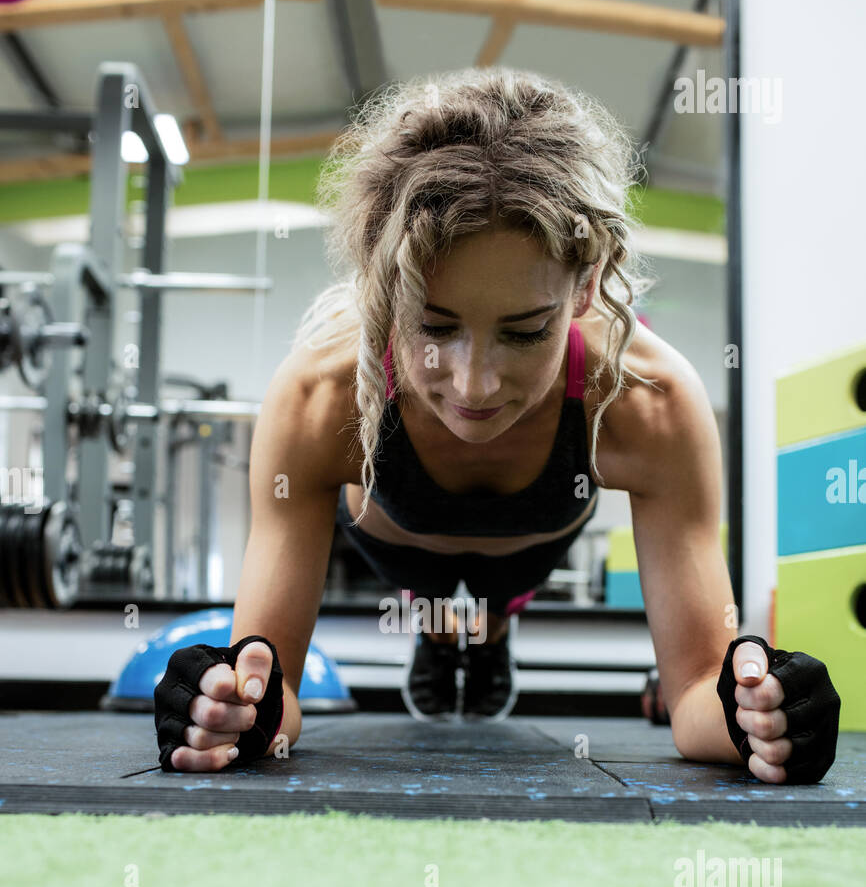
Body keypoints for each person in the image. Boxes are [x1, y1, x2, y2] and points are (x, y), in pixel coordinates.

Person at [154, 67, 840, 785]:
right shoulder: (316, 396)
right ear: (385, 294)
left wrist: (758, 712)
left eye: (525, 331)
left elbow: (697, 689)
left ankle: (489, 634)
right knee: (433, 603)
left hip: (527, 550)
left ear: (585, 285)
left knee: (492, 607)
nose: (474, 385)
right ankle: (440, 630)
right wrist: (236, 707)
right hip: (401, 545)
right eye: (434, 327)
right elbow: (274, 691)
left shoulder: (649, 400)